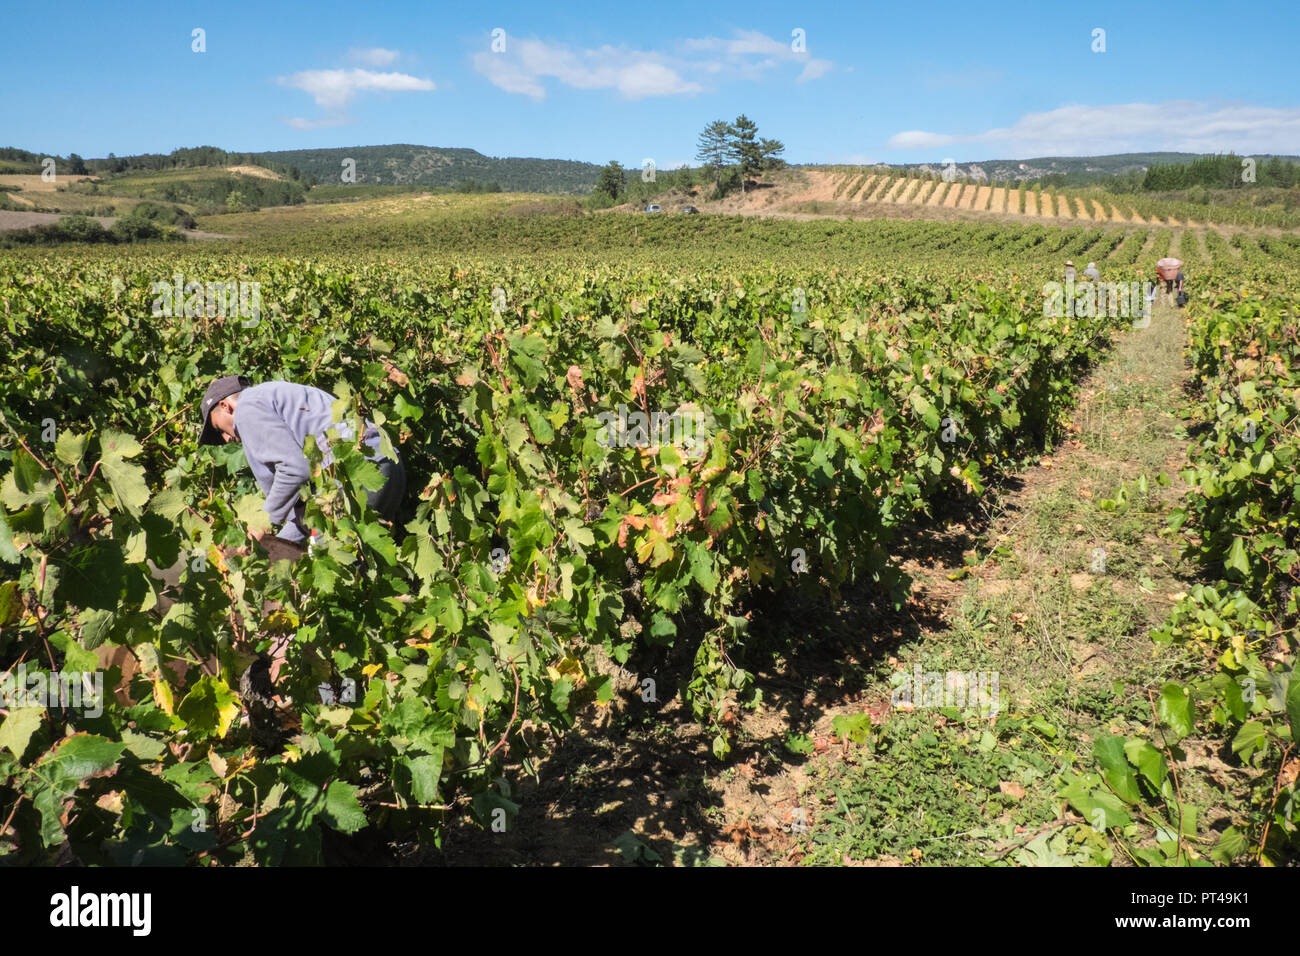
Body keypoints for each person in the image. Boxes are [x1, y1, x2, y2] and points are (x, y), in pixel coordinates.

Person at [198, 375, 406, 551]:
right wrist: (273, 545)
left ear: (226, 406)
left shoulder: (246, 410)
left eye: (219, 430)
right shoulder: (275, 394)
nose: (226, 439)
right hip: (384, 465)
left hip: (354, 478)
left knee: (334, 576)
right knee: (361, 570)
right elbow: (302, 514)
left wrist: (263, 521)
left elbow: (294, 470)